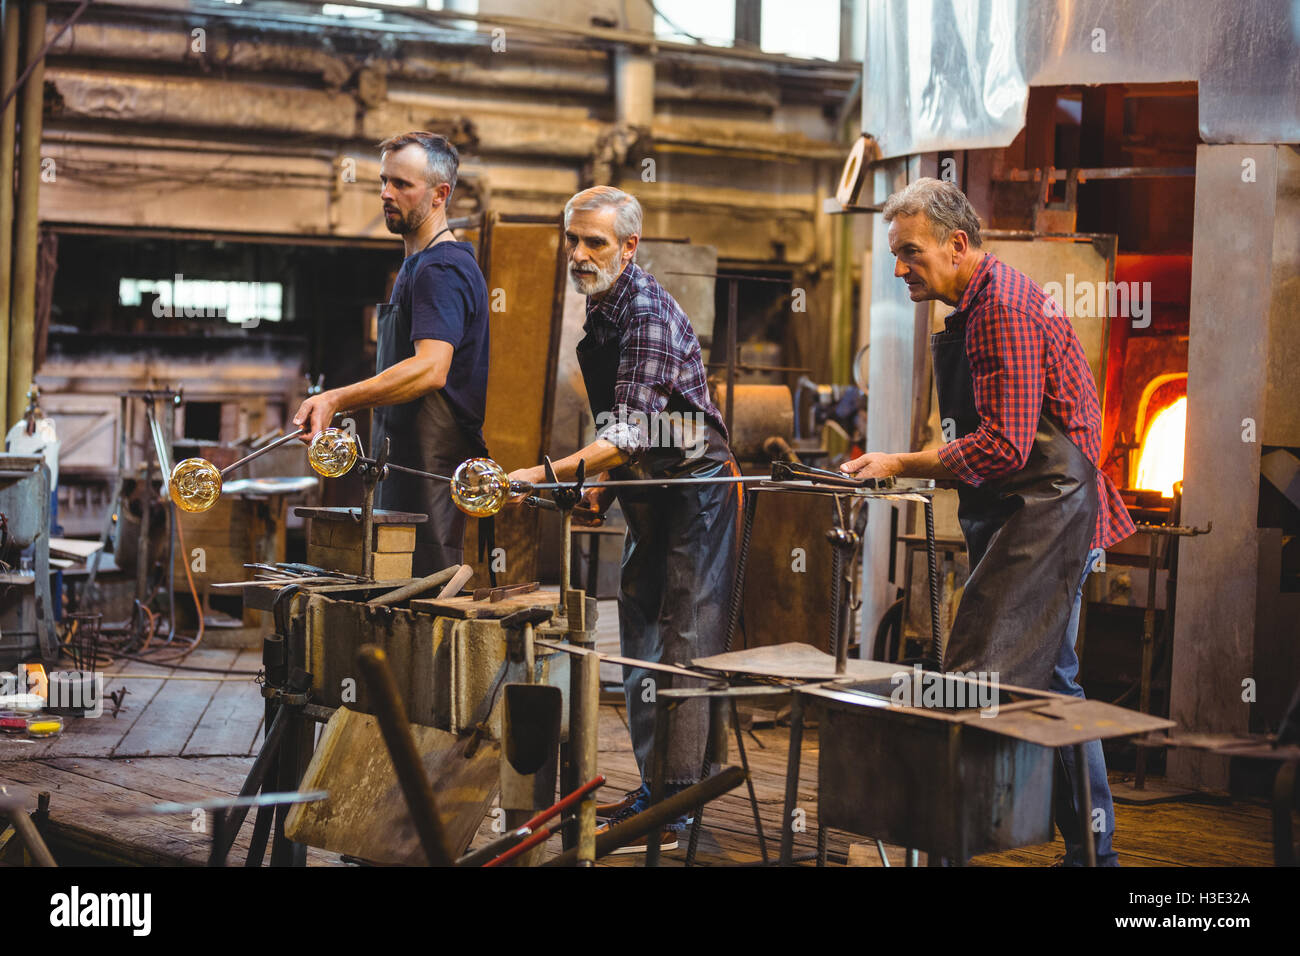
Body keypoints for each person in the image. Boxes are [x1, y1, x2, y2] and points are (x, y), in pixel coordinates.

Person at [841, 178, 1135, 866]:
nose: (899, 268)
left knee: (973, 682)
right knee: (1056, 688)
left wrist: (899, 463)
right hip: (1033, 509)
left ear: (958, 243)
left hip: (1047, 513)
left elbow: (1005, 445)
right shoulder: (978, 305)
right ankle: (1096, 853)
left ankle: (945, 850)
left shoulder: (1000, 305)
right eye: (895, 254)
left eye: (910, 252)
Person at [507, 186, 741, 854]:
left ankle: (678, 805)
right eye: (572, 240)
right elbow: (625, 422)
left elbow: (631, 433)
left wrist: (544, 474)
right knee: (640, 634)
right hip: (649, 487)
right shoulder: (602, 304)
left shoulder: (645, 314)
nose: (578, 254)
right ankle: (656, 788)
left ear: (630, 246)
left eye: (595, 243)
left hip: (696, 492)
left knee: (682, 648)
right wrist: (602, 485)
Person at [294, 131, 490, 574]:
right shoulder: (418, 265)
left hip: (429, 472)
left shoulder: (441, 268)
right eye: (384, 181)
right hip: (403, 462)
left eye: (402, 184)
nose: (386, 193)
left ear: (441, 194)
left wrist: (336, 398)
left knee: (424, 597)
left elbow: (430, 369)